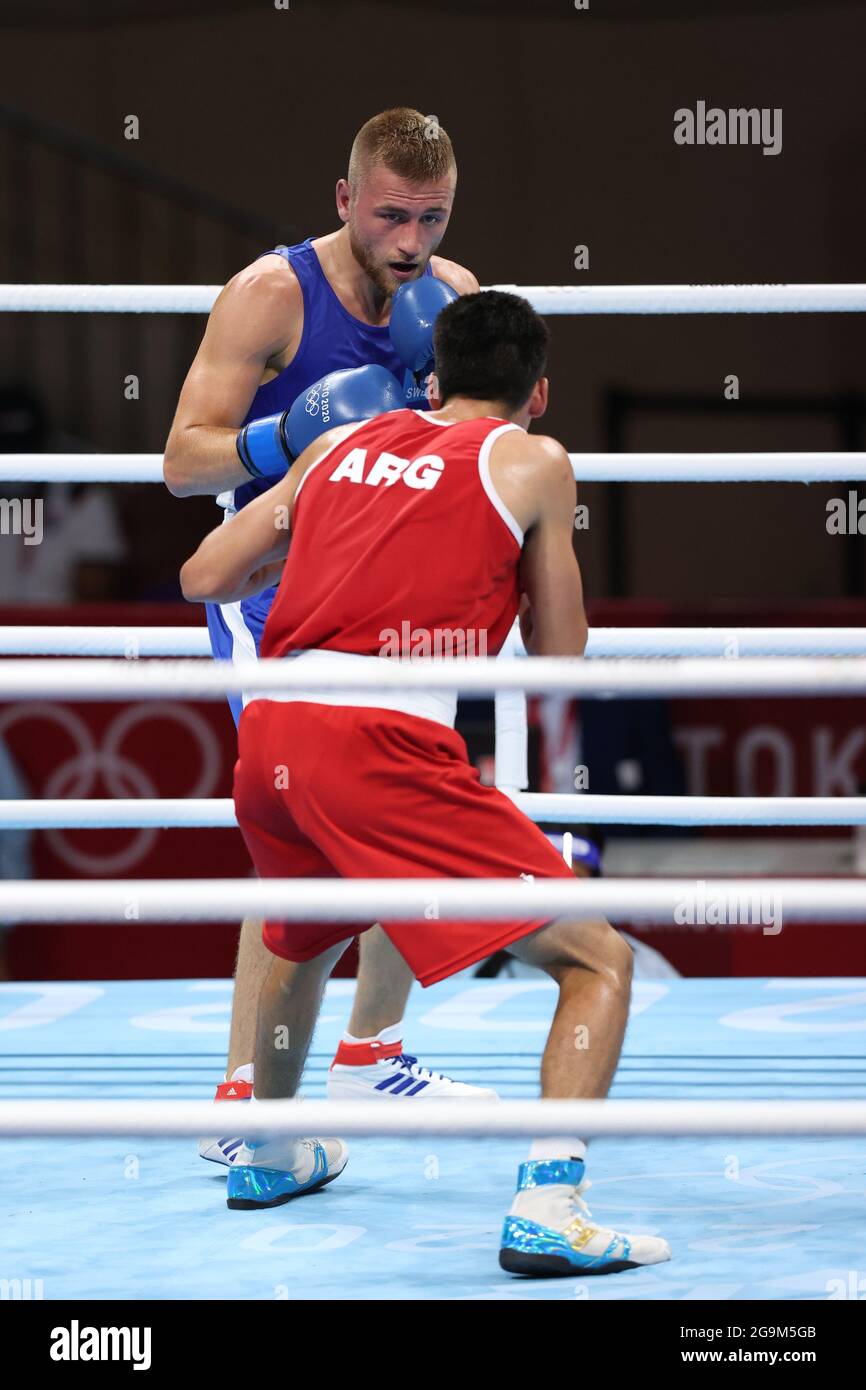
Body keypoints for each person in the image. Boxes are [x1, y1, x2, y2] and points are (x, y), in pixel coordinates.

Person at [180, 289, 672, 1278]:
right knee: (596, 960)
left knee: (302, 934)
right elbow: (559, 653)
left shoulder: (333, 449)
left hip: (271, 738)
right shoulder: (531, 457)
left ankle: (269, 1154)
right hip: (375, 745)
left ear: (433, 377)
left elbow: (205, 574)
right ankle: (550, 1205)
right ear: (536, 392)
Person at [164, 109, 491, 1167]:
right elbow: (183, 460)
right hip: (277, 596)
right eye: (390, 214)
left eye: (429, 217)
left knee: (416, 793)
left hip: (399, 597)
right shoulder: (271, 294)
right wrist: (284, 432)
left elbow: (501, 444)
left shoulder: (452, 301)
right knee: (296, 835)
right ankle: (241, 1095)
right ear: (344, 198)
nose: (409, 240)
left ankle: (371, 1049)